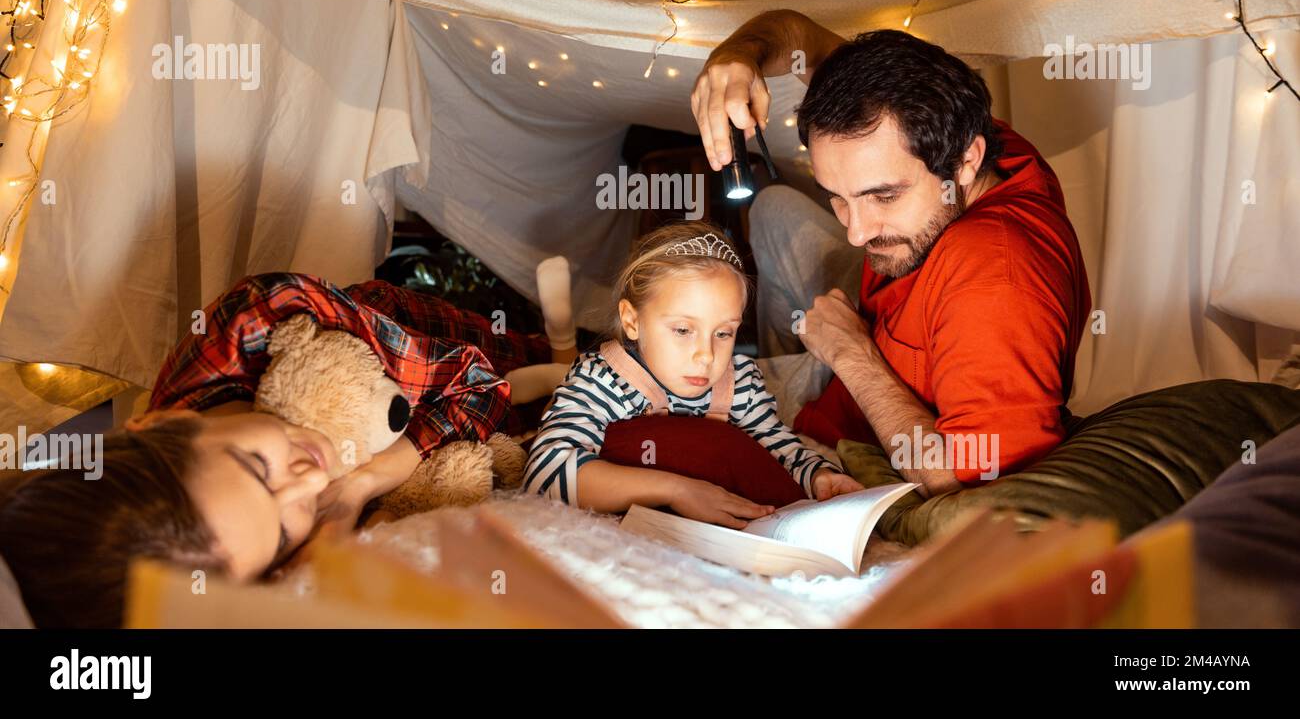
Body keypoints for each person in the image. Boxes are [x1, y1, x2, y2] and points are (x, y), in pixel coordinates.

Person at [0, 271, 551, 627]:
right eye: (285, 531)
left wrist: (370, 477)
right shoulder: (243, 559)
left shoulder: (265, 318)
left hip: (481, 349)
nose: (312, 480)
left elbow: (480, 382)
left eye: (257, 467)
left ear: (163, 420)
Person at [690, 10, 1091, 497]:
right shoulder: (939, 123)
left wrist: (848, 353)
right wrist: (736, 56)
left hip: (858, 403)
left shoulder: (994, 277)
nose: (857, 232)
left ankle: (792, 415)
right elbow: (798, 34)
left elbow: (966, 483)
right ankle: (798, 351)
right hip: (882, 318)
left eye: (884, 196)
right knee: (774, 209)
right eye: (838, 196)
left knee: (657, 400)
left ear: (965, 162)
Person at [523, 220, 862, 528]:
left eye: (724, 333)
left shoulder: (740, 380)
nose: (706, 355)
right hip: (589, 373)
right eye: (683, 330)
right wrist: (677, 490)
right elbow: (544, 474)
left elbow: (777, 442)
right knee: (555, 382)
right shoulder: (603, 381)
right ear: (632, 321)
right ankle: (559, 345)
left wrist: (818, 474)